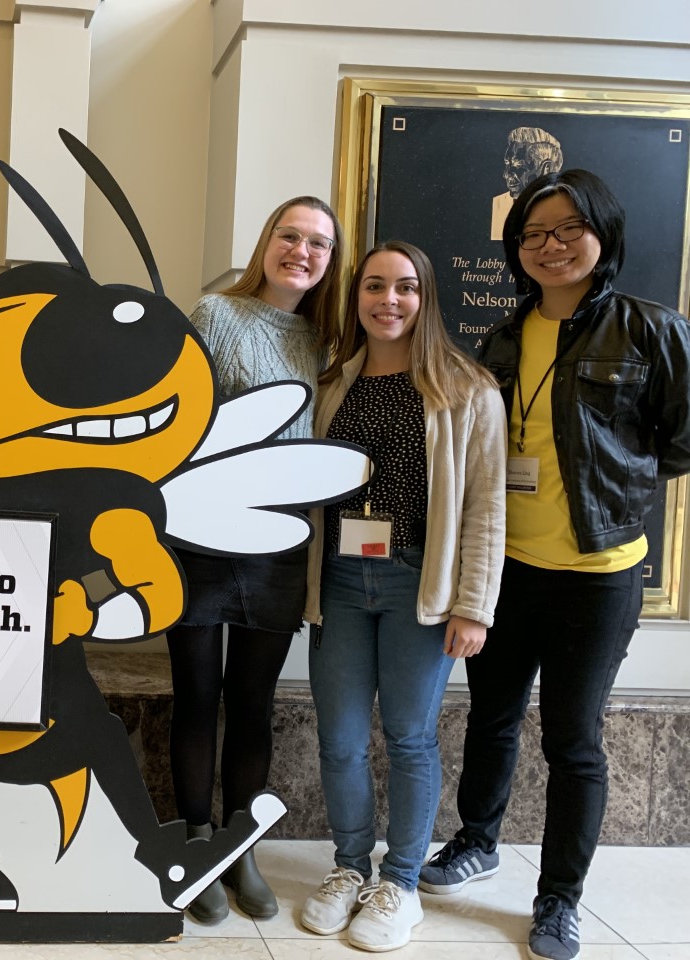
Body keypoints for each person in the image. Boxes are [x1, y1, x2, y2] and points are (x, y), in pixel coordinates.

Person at [419, 169, 690, 960]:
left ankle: (560, 898)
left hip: (598, 574)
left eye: (569, 229)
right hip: (506, 566)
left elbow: (680, 439)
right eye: (533, 234)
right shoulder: (504, 336)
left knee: (574, 738)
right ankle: (477, 839)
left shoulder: (651, 331)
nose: (551, 246)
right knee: (493, 717)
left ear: (602, 234)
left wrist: (622, 482)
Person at [300, 241, 506, 951]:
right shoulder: (333, 382)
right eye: (375, 286)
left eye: (407, 288)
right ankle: (350, 868)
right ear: (356, 297)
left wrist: (474, 606)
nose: (390, 300)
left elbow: (485, 506)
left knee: (411, 738)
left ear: (427, 299)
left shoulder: (468, 388)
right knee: (340, 740)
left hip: (419, 583)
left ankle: (403, 883)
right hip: (339, 582)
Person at [167, 197, 345, 923]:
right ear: (266, 242)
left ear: (332, 263)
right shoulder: (213, 315)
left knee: (253, 705)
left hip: (281, 548)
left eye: (319, 245)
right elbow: (176, 419)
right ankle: (197, 844)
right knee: (197, 695)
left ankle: (242, 847)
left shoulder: (331, 342)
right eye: (290, 235)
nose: (302, 251)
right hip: (202, 538)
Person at [491, 127, 563, 241]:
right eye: (507, 164)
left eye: (518, 165)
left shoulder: (568, 209)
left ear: (546, 169)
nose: (506, 174)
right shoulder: (498, 205)